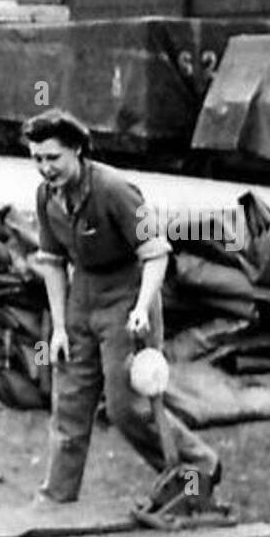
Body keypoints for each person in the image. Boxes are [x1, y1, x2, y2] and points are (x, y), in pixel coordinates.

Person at [26, 108, 220, 504]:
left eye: (53, 158)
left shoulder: (115, 189)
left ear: (77, 150)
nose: (46, 168)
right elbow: (51, 264)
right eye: (38, 159)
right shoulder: (47, 196)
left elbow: (156, 253)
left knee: (126, 407)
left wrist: (141, 308)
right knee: (69, 404)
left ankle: (199, 468)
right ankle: (56, 499)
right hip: (82, 298)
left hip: (128, 297)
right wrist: (60, 327)